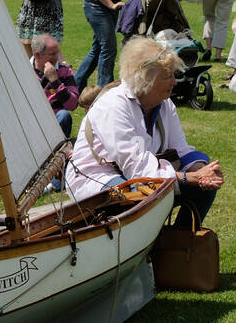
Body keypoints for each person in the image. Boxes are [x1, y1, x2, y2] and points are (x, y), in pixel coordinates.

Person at [64, 36, 223, 228]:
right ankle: (146, 247)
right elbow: (136, 168)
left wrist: (203, 173)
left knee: (202, 189)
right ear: (144, 78)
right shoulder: (113, 105)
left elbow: (181, 150)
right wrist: (190, 178)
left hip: (142, 178)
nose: (175, 81)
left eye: (173, 74)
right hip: (97, 178)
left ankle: (179, 246)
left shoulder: (165, 105)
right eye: (167, 76)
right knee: (137, 196)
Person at [31, 32, 76, 136]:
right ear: (37, 55)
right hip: (31, 121)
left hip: (55, 121)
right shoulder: (24, 70)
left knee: (64, 115)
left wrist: (55, 82)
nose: (57, 57)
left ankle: (59, 149)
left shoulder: (64, 71)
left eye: (57, 52)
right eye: (52, 54)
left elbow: (73, 105)